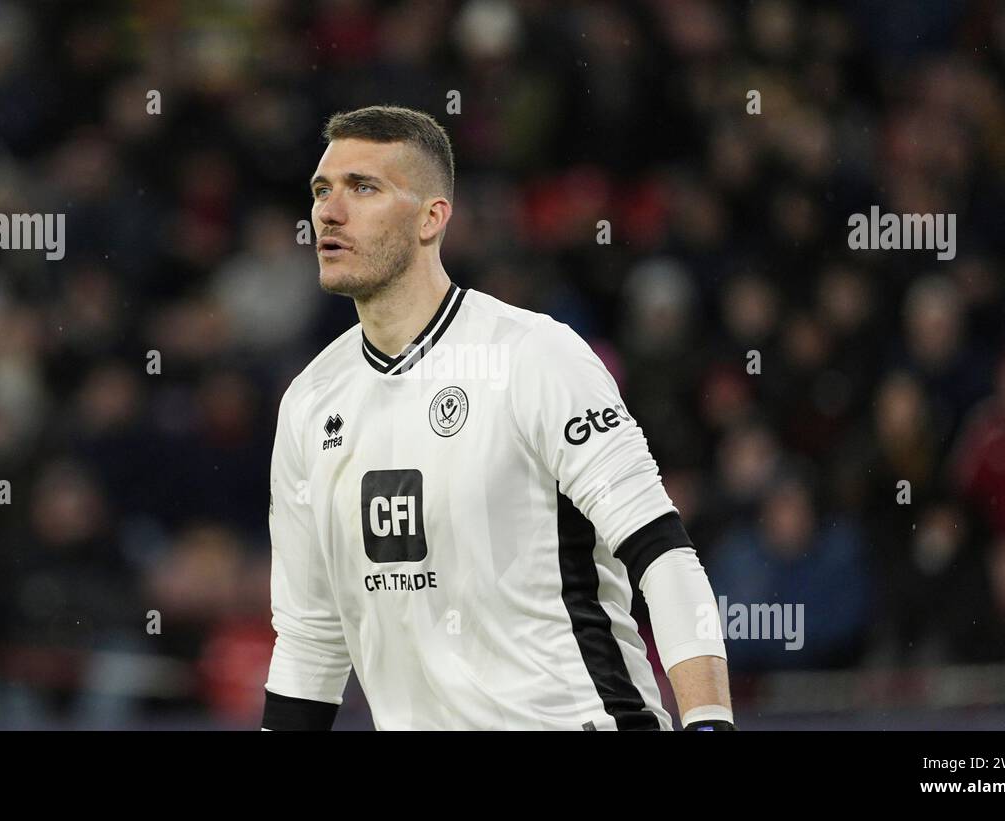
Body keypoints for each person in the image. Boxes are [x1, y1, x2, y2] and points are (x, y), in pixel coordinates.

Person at [261, 105, 731, 730]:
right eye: (322, 190)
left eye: (363, 188)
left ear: (432, 218)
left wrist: (709, 722)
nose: (329, 210)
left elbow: (662, 553)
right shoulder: (309, 403)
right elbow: (310, 640)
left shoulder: (535, 356)